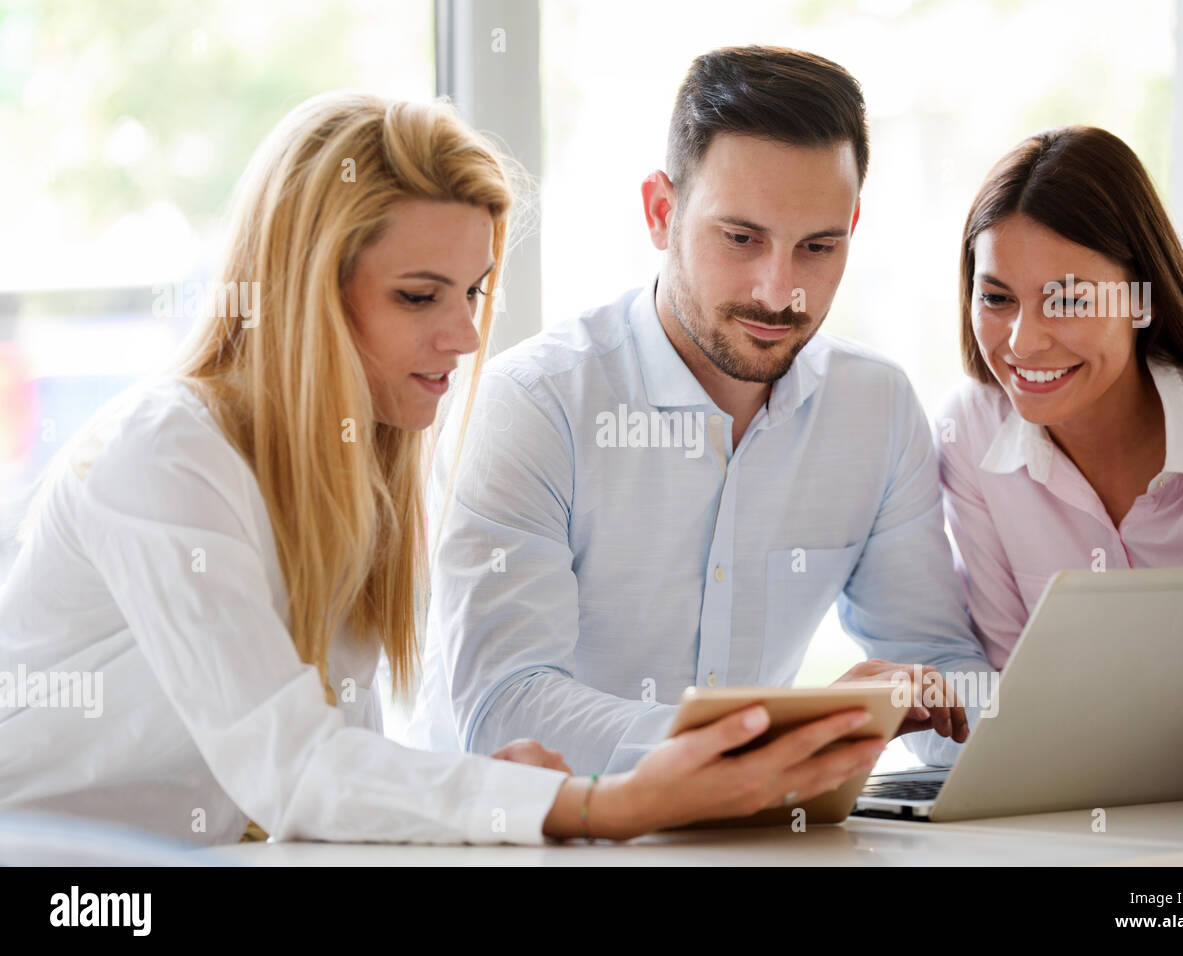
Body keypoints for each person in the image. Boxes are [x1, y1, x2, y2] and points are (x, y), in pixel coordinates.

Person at [0, 90, 891, 846]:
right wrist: (596, 804)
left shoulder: (357, 469)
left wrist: (481, 794)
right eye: (419, 296)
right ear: (307, 291)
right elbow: (291, 769)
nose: (466, 334)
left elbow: (328, 769)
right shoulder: (165, 454)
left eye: (472, 292)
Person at [411, 45, 991, 776]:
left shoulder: (875, 408)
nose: (780, 291)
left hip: (749, 842)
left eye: (818, 246)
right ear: (662, 212)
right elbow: (504, 707)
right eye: (741, 238)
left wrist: (1054, 723)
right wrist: (781, 733)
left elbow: (939, 675)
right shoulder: (536, 404)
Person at [937, 125, 1183, 793]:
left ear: (1142, 300)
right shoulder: (971, 432)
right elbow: (1017, 702)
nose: (1024, 342)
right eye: (996, 298)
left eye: (1069, 299)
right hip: (1080, 826)